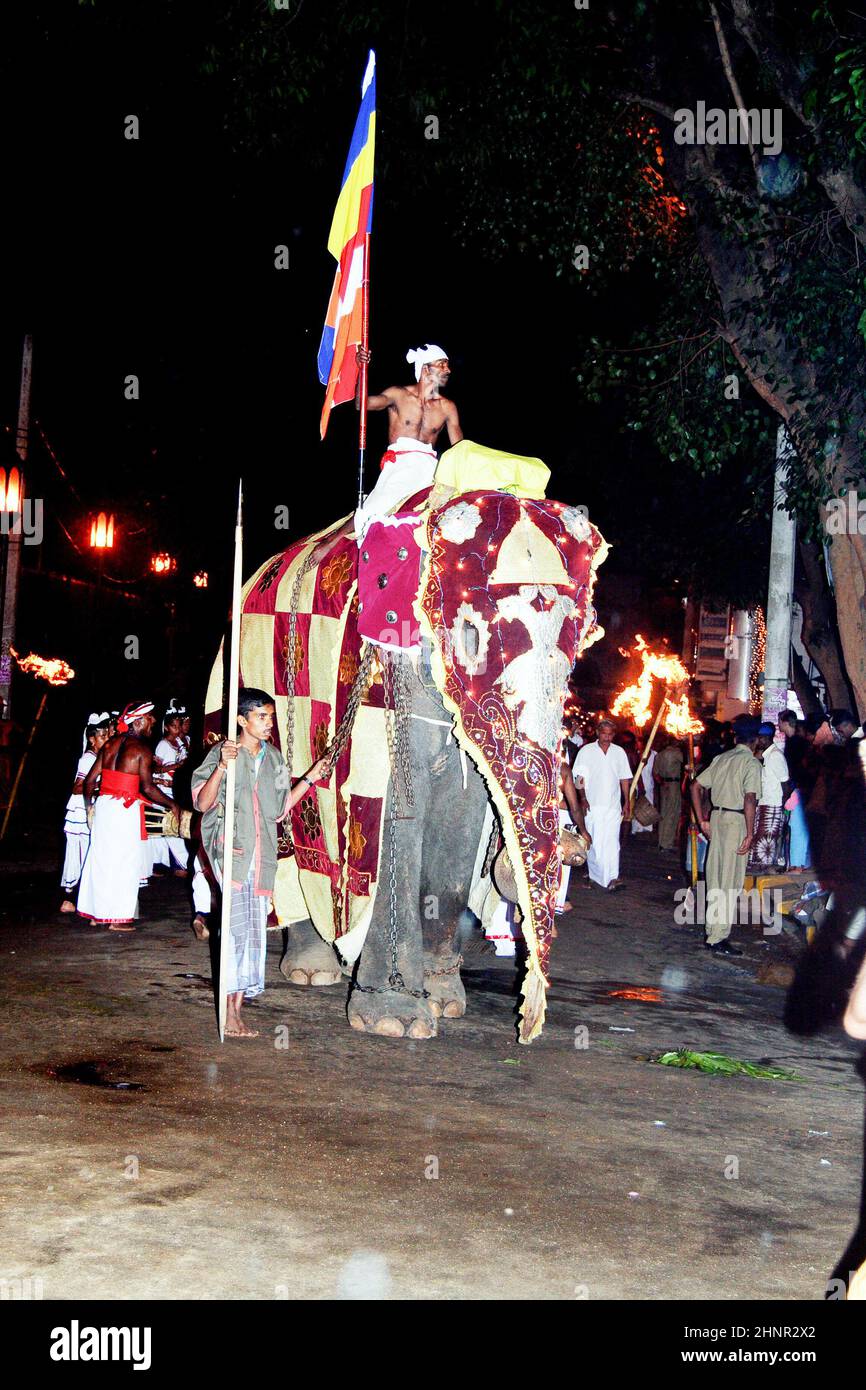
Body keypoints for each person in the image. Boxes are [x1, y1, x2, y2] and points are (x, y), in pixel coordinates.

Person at [191, 688, 331, 1040]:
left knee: (253, 934)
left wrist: (311, 777)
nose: (269, 723)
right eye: (262, 717)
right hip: (232, 854)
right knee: (235, 932)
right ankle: (227, 1013)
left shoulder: (276, 760)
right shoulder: (222, 755)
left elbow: (281, 808)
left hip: (262, 858)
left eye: (271, 716)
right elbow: (202, 803)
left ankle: (236, 1012)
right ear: (242, 720)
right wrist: (223, 766)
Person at [312, 343, 463, 562]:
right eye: (442, 365)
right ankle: (330, 543)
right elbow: (361, 405)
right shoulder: (398, 395)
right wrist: (361, 369)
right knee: (374, 508)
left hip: (430, 468)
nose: (448, 370)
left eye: (447, 365)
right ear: (425, 369)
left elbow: (459, 447)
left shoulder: (447, 407)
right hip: (401, 465)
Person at [78, 701, 175, 930]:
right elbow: (148, 788)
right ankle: (119, 919)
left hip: (104, 807)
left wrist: (90, 807)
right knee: (124, 861)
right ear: (138, 721)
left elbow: (90, 782)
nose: (153, 722)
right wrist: (173, 805)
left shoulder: (110, 744)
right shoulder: (141, 749)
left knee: (101, 858)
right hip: (124, 809)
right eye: (150, 718)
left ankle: (96, 913)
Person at [689, 713, 763, 956]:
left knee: (715, 877)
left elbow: (696, 786)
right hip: (736, 821)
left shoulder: (722, 757)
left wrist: (702, 820)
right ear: (756, 740)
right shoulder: (751, 763)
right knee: (730, 881)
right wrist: (750, 833)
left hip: (717, 819)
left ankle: (713, 930)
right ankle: (718, 937)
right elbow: (750, 798)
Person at [572, 718, 632, 891]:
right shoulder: (586, 751)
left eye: (610, 734)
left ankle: (613, 877)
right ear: (598, 733)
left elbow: (624, 778)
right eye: (603, 733)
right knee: (595, 841)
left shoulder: (619, 752)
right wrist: (583, 797)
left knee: (612, 841)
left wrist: (627, 801)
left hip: (613, 804)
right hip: (592, 804)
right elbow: (579, 778)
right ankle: (595, 877)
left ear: (613, 735)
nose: (606, 737)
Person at [60, 713, 111, 913]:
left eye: (108, 735)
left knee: (85, 854)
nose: (106, 739)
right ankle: (68, 898)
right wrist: (100, 787)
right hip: (79, 813)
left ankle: (78, 897)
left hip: (86, 812)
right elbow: (77, 787)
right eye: (102, 736)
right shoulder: (87, 759)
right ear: (92, 738)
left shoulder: (97, 758)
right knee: (77, 856)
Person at [142, 699, 190, 881]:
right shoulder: (163, 745)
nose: (179, 729)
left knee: (172, 828)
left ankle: (172, 864)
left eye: (180, 725)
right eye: (176, 726)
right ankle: (175, 864)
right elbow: (153, 770)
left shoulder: (181, 743)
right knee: (168, 828)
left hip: (175, 790)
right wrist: (175, 767)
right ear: (168, 727)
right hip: (163, 791)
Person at [748, 722, 791, 870]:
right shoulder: (767, 756)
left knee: (766, 840)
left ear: (765, 739)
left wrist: (783, 807)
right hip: (765, 802)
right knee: (761, 837)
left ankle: (762, 869)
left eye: (759, 738)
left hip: (774, 804)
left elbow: (785, 783)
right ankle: (760, 867)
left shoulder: (775, 756)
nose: (757, 741)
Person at [556, 753, 591, 914]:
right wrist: (583, 831)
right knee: (557, 865)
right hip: (552, 824)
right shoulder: (562, 767)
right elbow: (574, 807)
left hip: (531, 821)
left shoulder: (527, 757)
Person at [653, 735, 684, 852]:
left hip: (664, 784)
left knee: (664, 813)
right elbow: (689, 763)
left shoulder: (659, 755)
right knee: (672, 813)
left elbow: (655, 773)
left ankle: (662, 841)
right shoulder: (676, 753)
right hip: (673, 785)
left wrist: (662, 782)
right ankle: (667, 843)